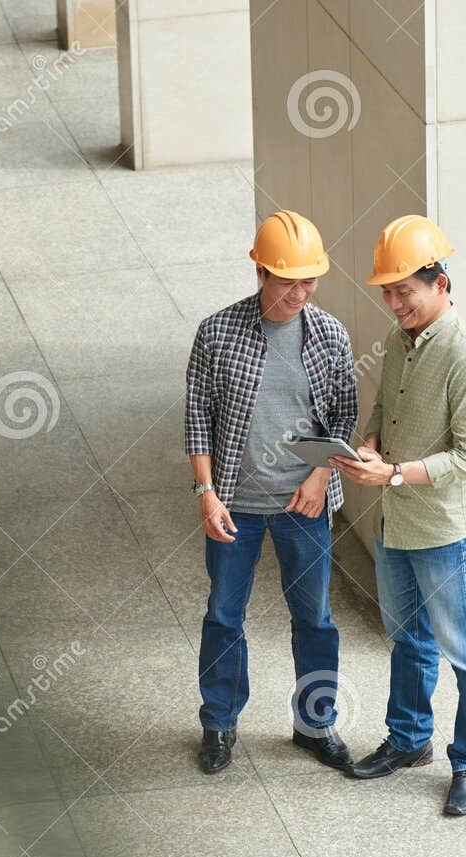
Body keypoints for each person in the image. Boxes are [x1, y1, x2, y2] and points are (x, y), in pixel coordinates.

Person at [329, 215, 466, 816]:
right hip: (396, 524)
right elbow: (383, 405)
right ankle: (408, 740)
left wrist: (396, 474)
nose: (394, 303)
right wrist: (372, 445)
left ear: (440, 283)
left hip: (446, 533)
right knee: (407, 639)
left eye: (404, 291)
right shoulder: (401, 342)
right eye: (387, 292)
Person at [185, 210, 358, 775]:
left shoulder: (329, 335)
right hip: (234, 505)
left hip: (302, 505)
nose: (300, 293)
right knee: (224, 614)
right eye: (288, 281)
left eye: (310, 281)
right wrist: (207, 493)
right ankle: (219, 723)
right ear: (259, 271)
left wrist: (319, 477)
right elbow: (198, 420)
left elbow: (344, 418)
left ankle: (315, 724)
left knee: (316, 619)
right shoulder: (216, 333)